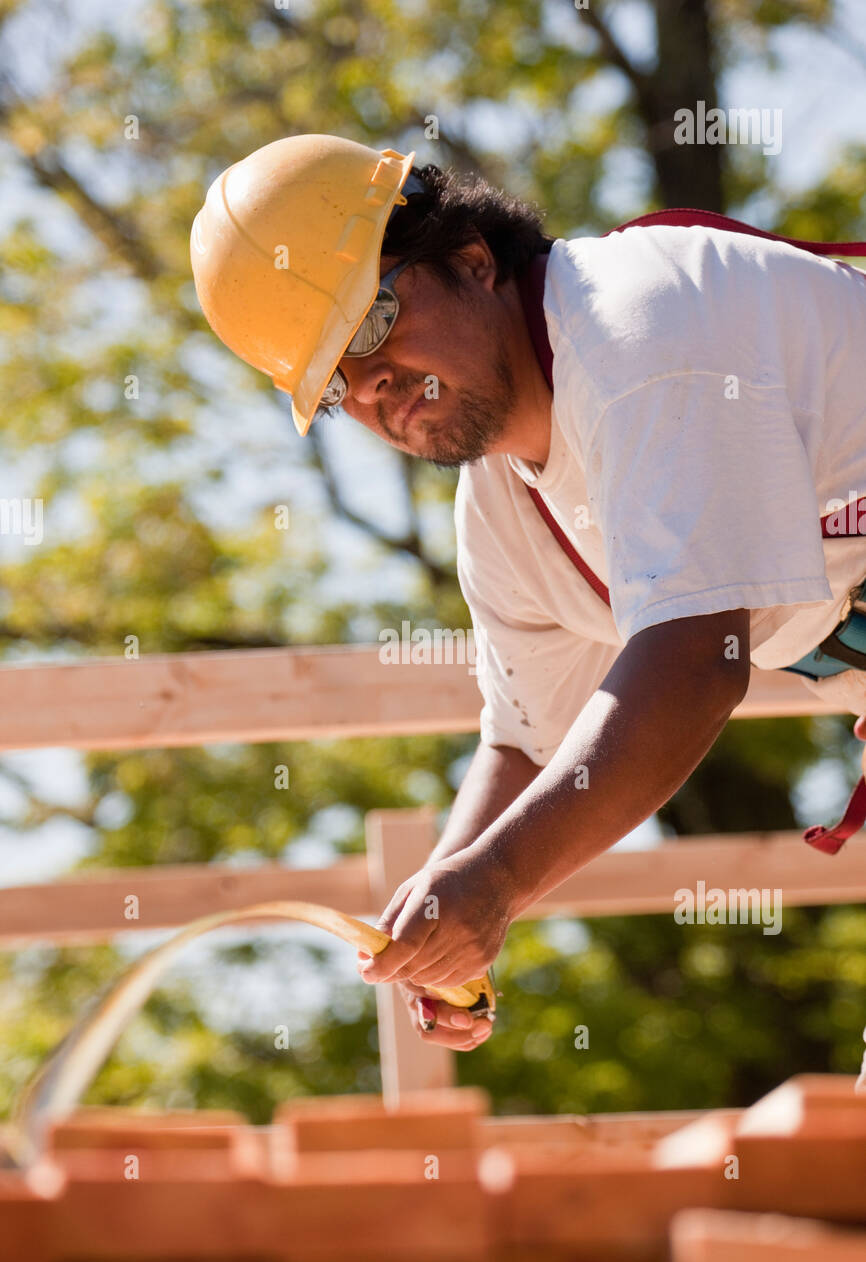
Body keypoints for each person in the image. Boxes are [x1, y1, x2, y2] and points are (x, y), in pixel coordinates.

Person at [191, 134, 866, 1066]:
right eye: (333, 381)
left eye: (374, 323)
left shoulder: (640, 328)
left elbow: (696, 660)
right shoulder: (507, 511)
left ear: (471, 259)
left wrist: (497, 882)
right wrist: (442, 920)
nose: (373, 384)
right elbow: (527, 740)